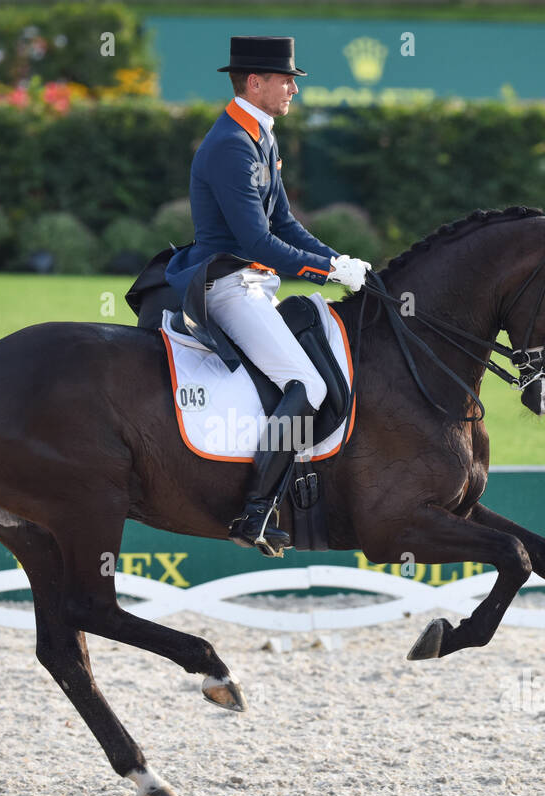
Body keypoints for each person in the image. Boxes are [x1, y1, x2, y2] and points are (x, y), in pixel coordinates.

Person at [164, 35, 371, 556]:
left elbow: (283, 222)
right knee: (307, 383)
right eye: (287, 81)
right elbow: (257, 242)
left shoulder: (261, 138)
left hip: (256, 282)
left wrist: (335, 259)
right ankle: (254, 512)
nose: (293, 90)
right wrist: (326, 273)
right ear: (255, 83)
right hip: (230, 284)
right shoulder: (231, 145)